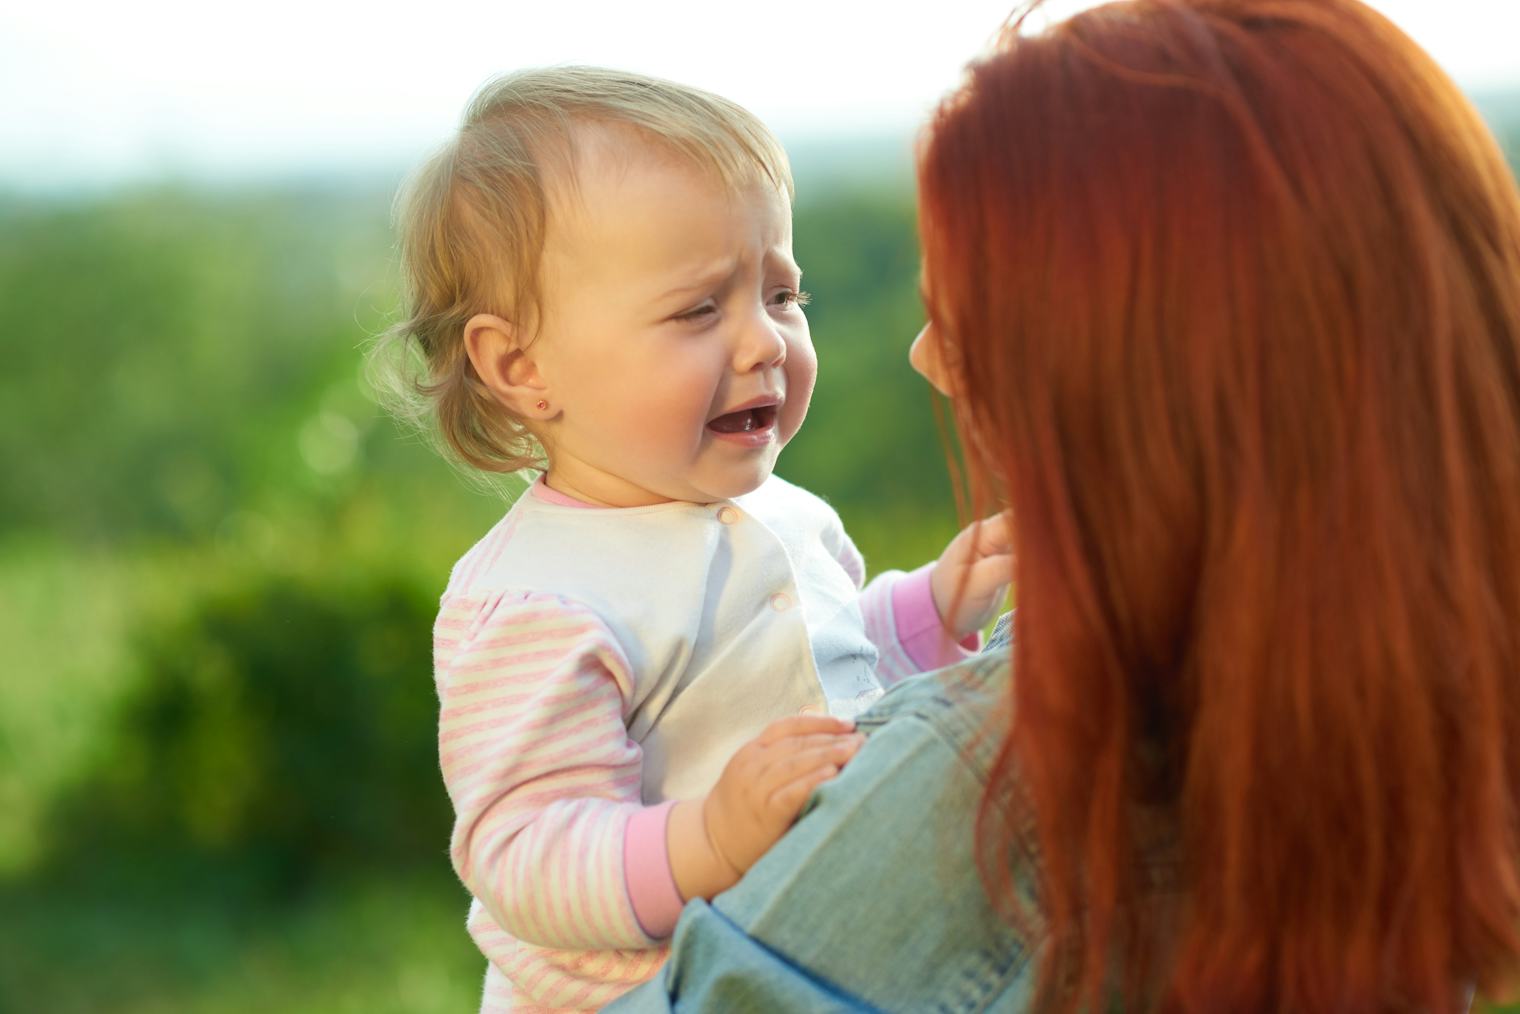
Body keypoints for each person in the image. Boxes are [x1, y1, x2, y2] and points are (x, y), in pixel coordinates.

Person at [607, 0, 1520, 1010]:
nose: (927, 362)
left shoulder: (991, 789)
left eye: (979, 321)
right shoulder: (1434, 720)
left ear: (1143, 378)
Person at [370, 67, 1012, 1012]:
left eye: (783, 294)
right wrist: (707, 837)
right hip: (645, 993)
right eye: (698, 310)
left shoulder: (792, 516)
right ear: (522, 367)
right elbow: (525, 850)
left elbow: (825, 681)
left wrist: (929, 610)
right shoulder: (538, 600)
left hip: (807, 947)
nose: (763, 343)